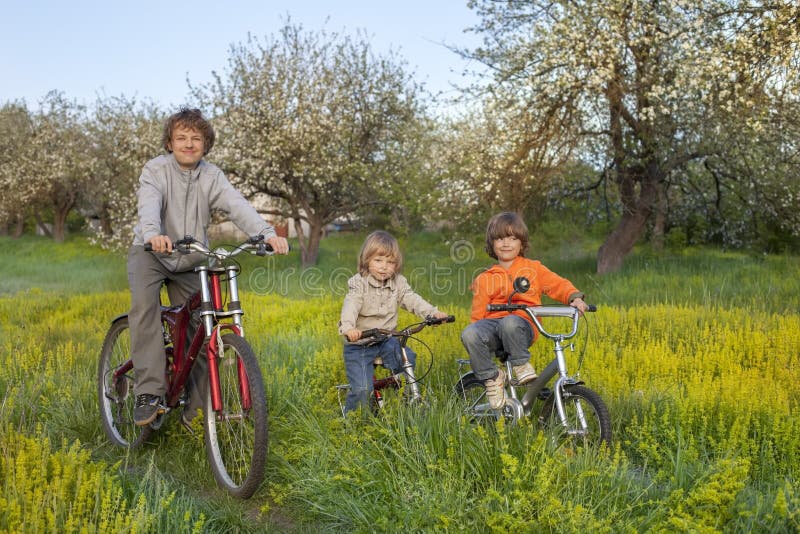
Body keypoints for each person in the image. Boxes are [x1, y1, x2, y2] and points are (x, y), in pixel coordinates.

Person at [129, 107, 289, 427]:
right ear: (170, 142)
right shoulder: (155, 170)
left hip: (190, 258)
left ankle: (198, 413)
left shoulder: (212, 175)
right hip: (151, 252)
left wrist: (267, 234)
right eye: (181, 138)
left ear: (206, 143)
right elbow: (149, 202)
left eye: (196, 138)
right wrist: (153, 234)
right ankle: (148, 392)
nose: (188, 144)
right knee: (145, 310)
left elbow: (237, 205)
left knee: (203, 325)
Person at [460, 212, 588, 410]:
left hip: (522, 323)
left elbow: (558, 285)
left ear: (522, 243)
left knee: (509, 322)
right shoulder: (485, 278)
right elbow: (478, 315)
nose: (506, 243)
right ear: (492, 243)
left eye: (513, 238)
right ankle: (492, 378)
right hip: (494, 327)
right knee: (470, 332)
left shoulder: (532, 268)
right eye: (500, 238)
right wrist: (478, 342)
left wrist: (575, 297)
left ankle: (521, 364)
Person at [338, 230, 449, 414]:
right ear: (367, 260)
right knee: (362, 391)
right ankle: (350, 421)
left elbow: (412, 300)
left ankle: (406, 396)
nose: (384, 267)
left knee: (407, 359)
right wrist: (349, 328)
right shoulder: (359, 284)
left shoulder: (398, 283)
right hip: (359, 344)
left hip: (386, 340)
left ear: (396, 265)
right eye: (378, 260)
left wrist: (433, 313)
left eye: (390, 262)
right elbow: (351, 305)